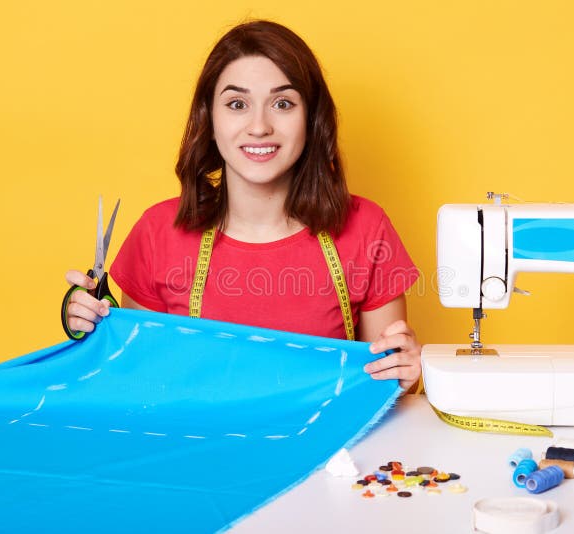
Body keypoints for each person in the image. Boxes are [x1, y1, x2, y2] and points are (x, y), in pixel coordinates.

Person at [63, 20, 422, 392]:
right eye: (237, 104)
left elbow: (389, 384)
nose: (259, 126)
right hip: (202, 446)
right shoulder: (158, 233)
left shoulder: (366, 228)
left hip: (328, 448)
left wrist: (408, 374)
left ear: (311, 119)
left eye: (282, 103)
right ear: (210, 118)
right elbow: (139, 379)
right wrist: (95, 332)